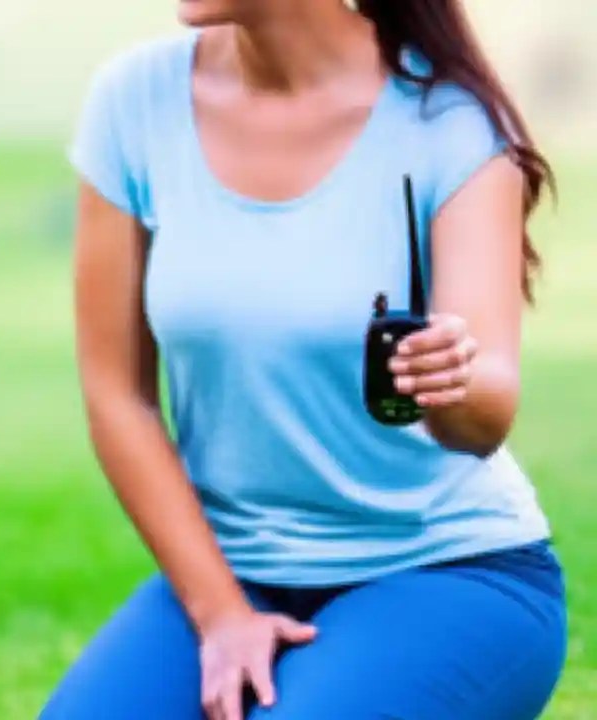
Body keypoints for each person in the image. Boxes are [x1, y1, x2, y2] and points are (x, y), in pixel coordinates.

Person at [41, 1, 566, 718]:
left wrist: (452, 380)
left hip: (448, 571)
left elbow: (483, 419)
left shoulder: (447, 123)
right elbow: (117, 395)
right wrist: (222, 614)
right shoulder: (134, 101)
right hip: (232, 574)